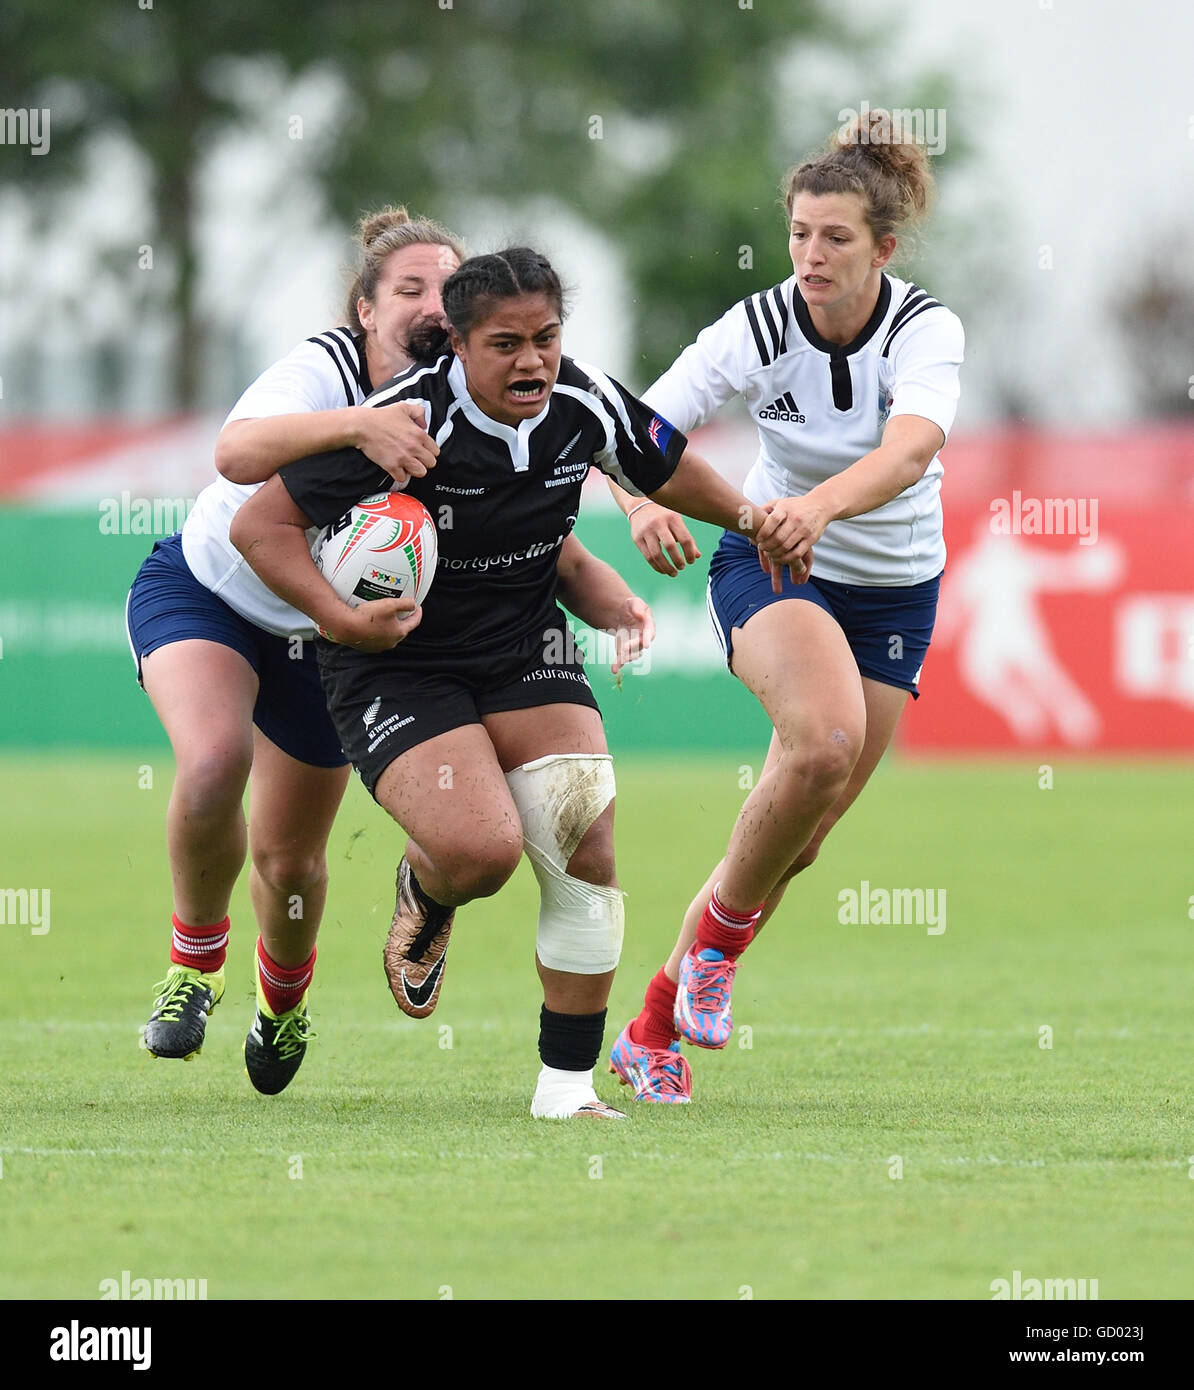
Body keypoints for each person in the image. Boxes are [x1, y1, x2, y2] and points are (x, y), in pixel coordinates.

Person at [229, 246, 804, 1119]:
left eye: (546, 337)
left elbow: (665, 463)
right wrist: (339, 618)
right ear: (456, 346)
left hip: (525, 643)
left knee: (585, 839)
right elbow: (259, 523)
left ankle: (566, 1087)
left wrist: (753, 519)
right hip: (396, 659)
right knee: (483, 851)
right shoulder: (403, 421)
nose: (533, 360)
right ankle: (430, 883)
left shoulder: (585, 399)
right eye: (505, 344)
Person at [126, 208, 636, 1095]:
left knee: (290, 860)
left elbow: (552, 477)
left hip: (325, 638)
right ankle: (192, 966)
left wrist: (636, 515)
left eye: (448, 289)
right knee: (212, 762)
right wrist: (354, 428)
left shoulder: (463, 390)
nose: (432, 305)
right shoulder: (327, 369)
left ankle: (282, 1003)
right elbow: (234, 454)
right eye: (409, 289)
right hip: (217, 592)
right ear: (365, 309)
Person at [605, 109, 965, 1103]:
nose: (812, 253)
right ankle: (718, 952)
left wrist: (814, 505)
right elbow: (633, 427)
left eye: (837, 237)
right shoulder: (757, 327)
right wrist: (636, 502)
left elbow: (909, 451)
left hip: (898, 587)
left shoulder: (926, 326)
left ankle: (649, 1028)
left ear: (882, 248)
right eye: (801, 232)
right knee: (820, 745)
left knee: (797, 839)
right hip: (775, 569)